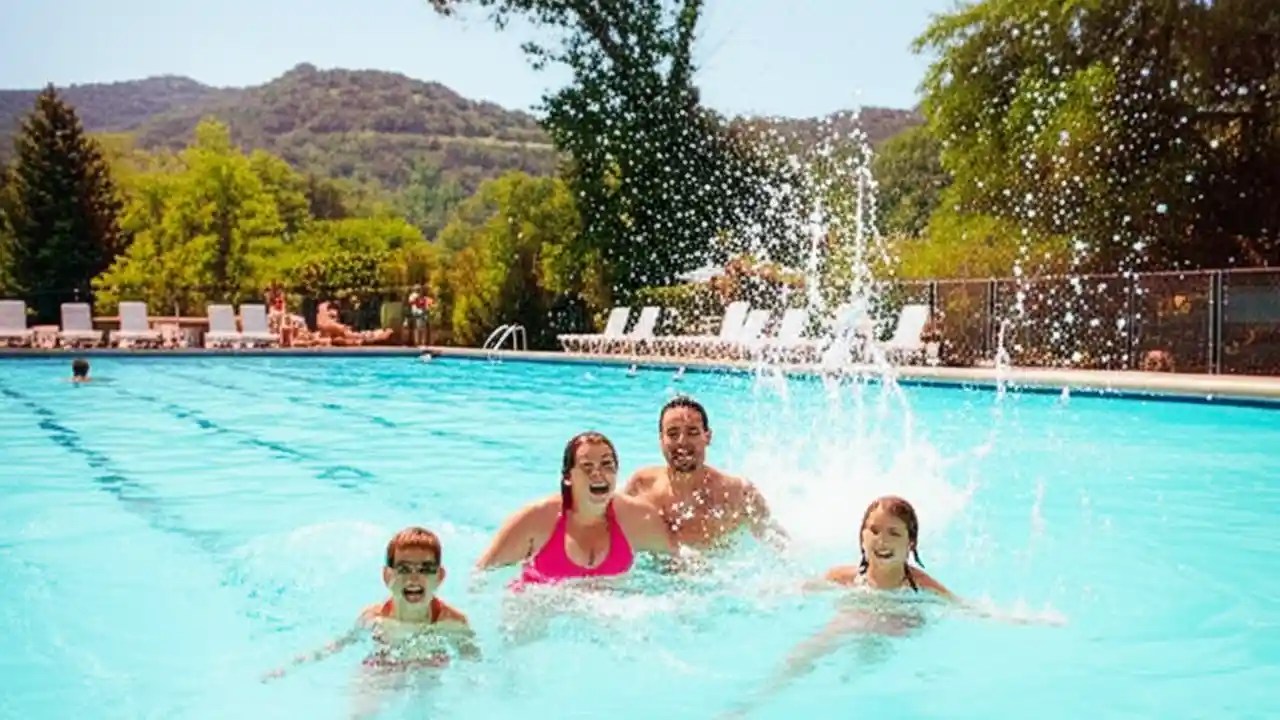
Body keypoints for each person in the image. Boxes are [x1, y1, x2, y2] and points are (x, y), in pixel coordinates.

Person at [264, 526, 478, 681]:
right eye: (404, 569)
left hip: (428, 670)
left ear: (439, 577)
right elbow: (336, 646)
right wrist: (288, 667)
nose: (414, 578)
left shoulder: (453, 623)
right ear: (387, 576)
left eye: (425, 569)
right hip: (382, 666)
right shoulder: (374, 618)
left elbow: (473, 664)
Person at [475, 431, 674, 585]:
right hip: (537, 607)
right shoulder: (535, 519)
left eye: (607, 465)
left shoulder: (638, 518)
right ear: (568, 477)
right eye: (587, 467)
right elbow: (482, 574)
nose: (598, 474)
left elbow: (675, 566)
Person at [624, 396, 786, 551]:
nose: (682, 442)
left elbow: (780, 545)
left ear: (707, 437)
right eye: (672, 434)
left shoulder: (738, 494)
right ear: (661, 439)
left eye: (692, 432)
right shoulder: (642, 487)